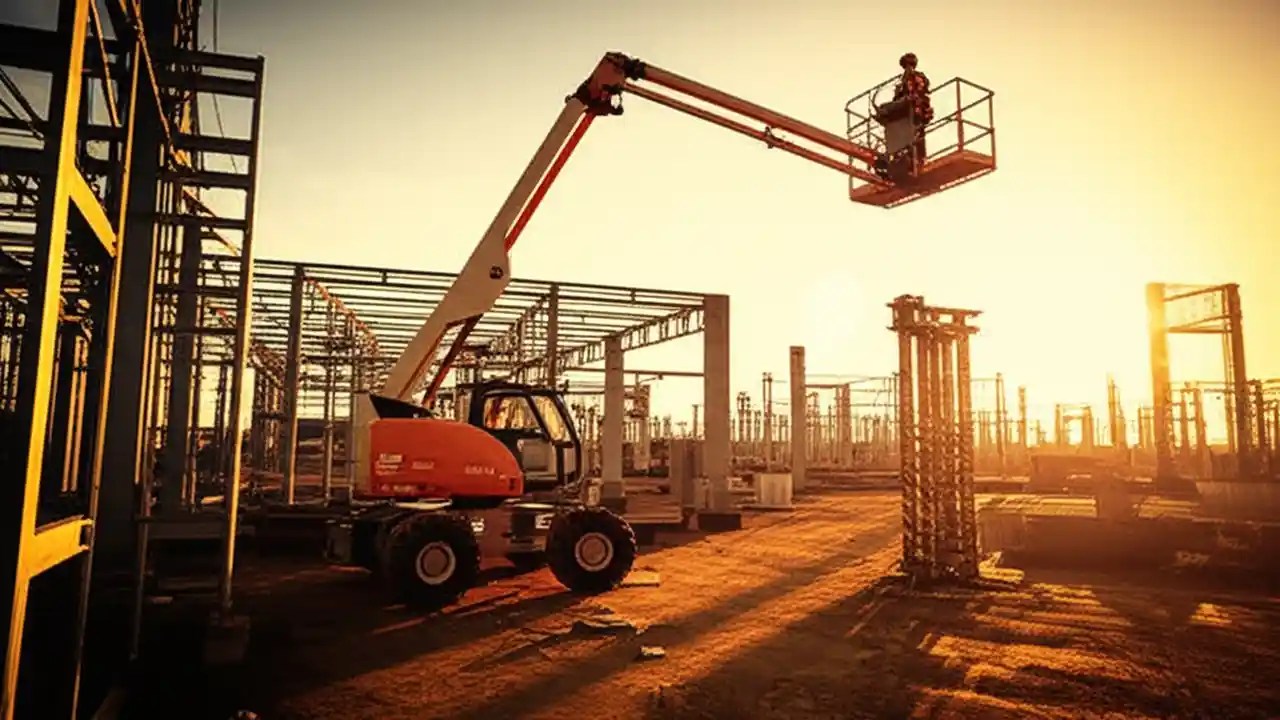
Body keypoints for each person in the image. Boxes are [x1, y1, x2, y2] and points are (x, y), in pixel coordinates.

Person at [892, 52, 933, 174]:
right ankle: (910, 161)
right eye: (906, 66)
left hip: (918, 111)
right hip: (908, 113)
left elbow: (920, 90)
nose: (907, 68)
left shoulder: (918, 77)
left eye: (909, 65)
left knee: (918, 135)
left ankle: (919, 160)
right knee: (908, 137)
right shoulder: (903, 81)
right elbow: (899, 97)